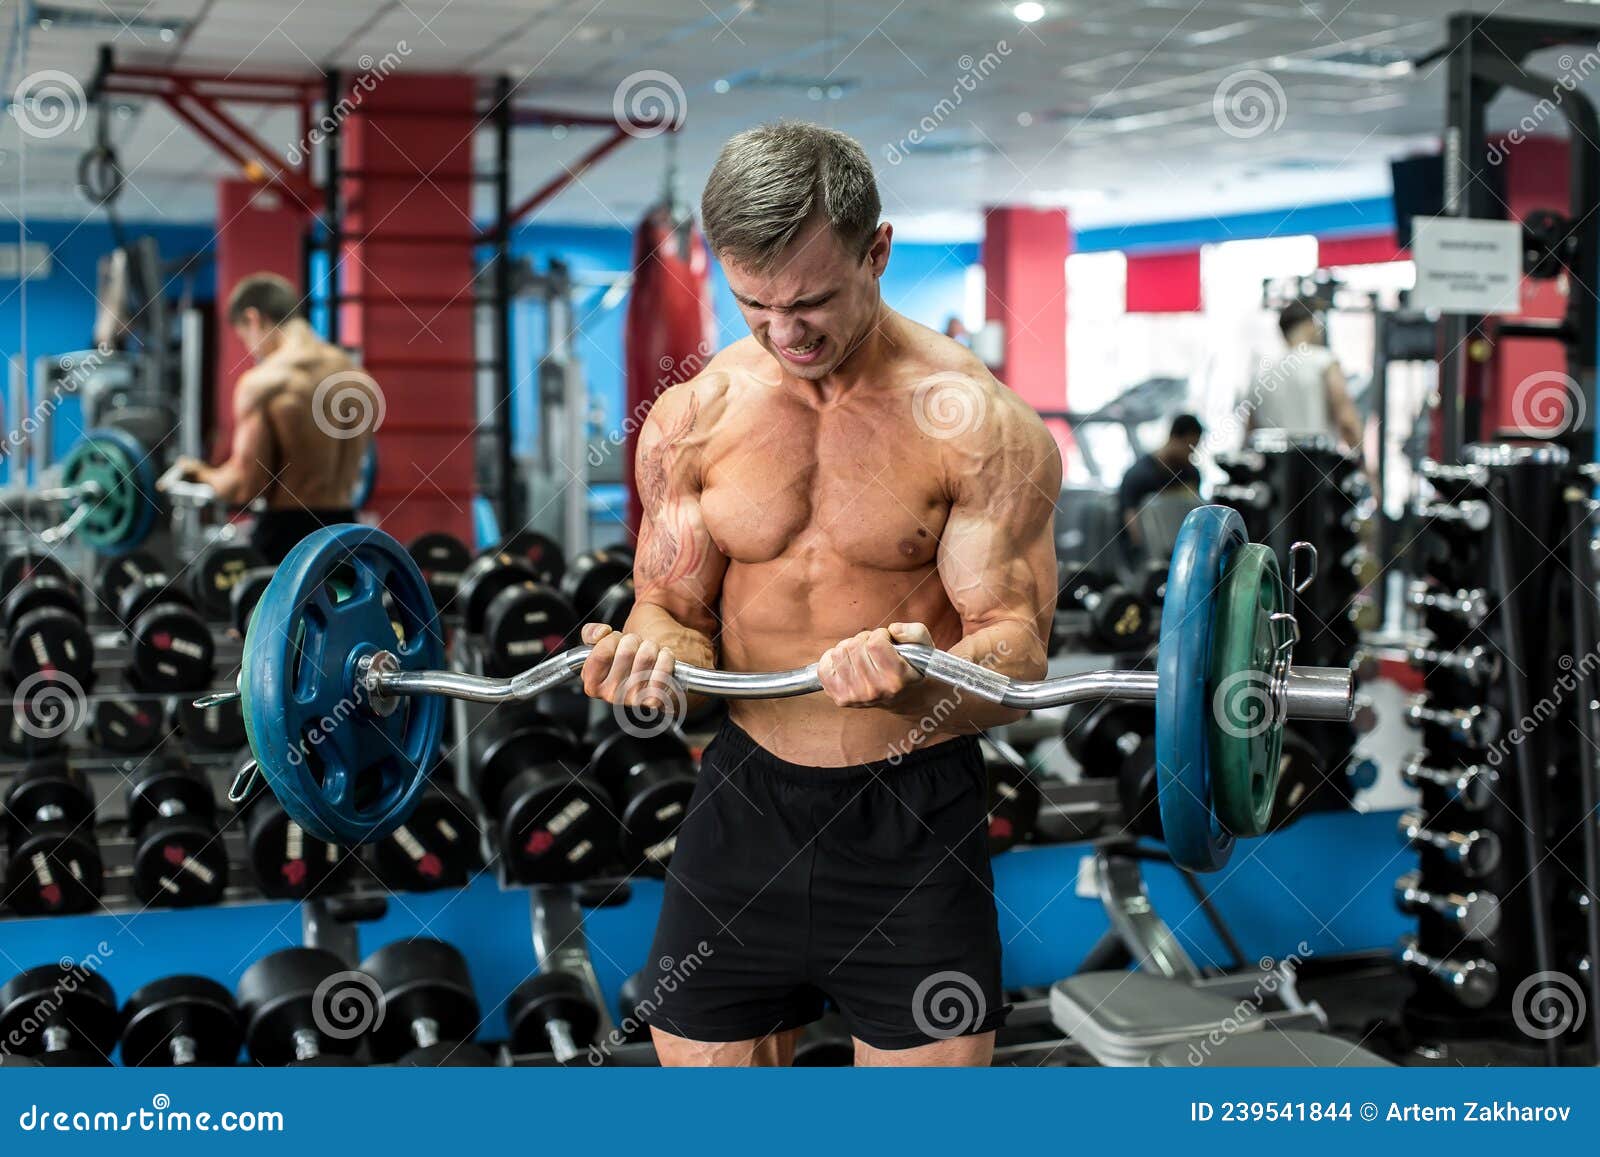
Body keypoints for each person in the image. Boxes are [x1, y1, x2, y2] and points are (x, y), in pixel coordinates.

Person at [580, 122, 1059, 1067]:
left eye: (812, 301)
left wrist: (917, 680)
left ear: (877, 250)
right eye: (753, 303)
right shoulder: (691, 419)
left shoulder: (978, 427)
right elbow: (670, 607)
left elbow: (1016, 649)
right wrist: (653, 654)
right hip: (744, 802)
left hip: (912, 818)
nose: (785, 333)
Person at [165, 273, 380, 563]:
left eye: (244, 338)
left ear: (253, 319)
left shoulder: (265, 383)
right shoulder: (357, 376)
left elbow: (245, 486)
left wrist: (198, 472)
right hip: (345, 535)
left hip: (287, 541)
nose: (250, 350)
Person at [1246, 298, 1363, 449]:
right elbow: (1347, 420)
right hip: (1317, 467)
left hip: (1273, 469)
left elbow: (1250, 433)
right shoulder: (1325, 362)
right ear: (1310, 325)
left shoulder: (1261, 375)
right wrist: (1361, 458)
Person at [1117, 413, 1203, 549]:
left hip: (1184, 547)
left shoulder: (1191, 474)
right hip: (1152, 552)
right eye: (1189, 447)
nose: (1191, 453)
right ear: (1174, 438)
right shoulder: (1139, 475)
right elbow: (1130, 519)